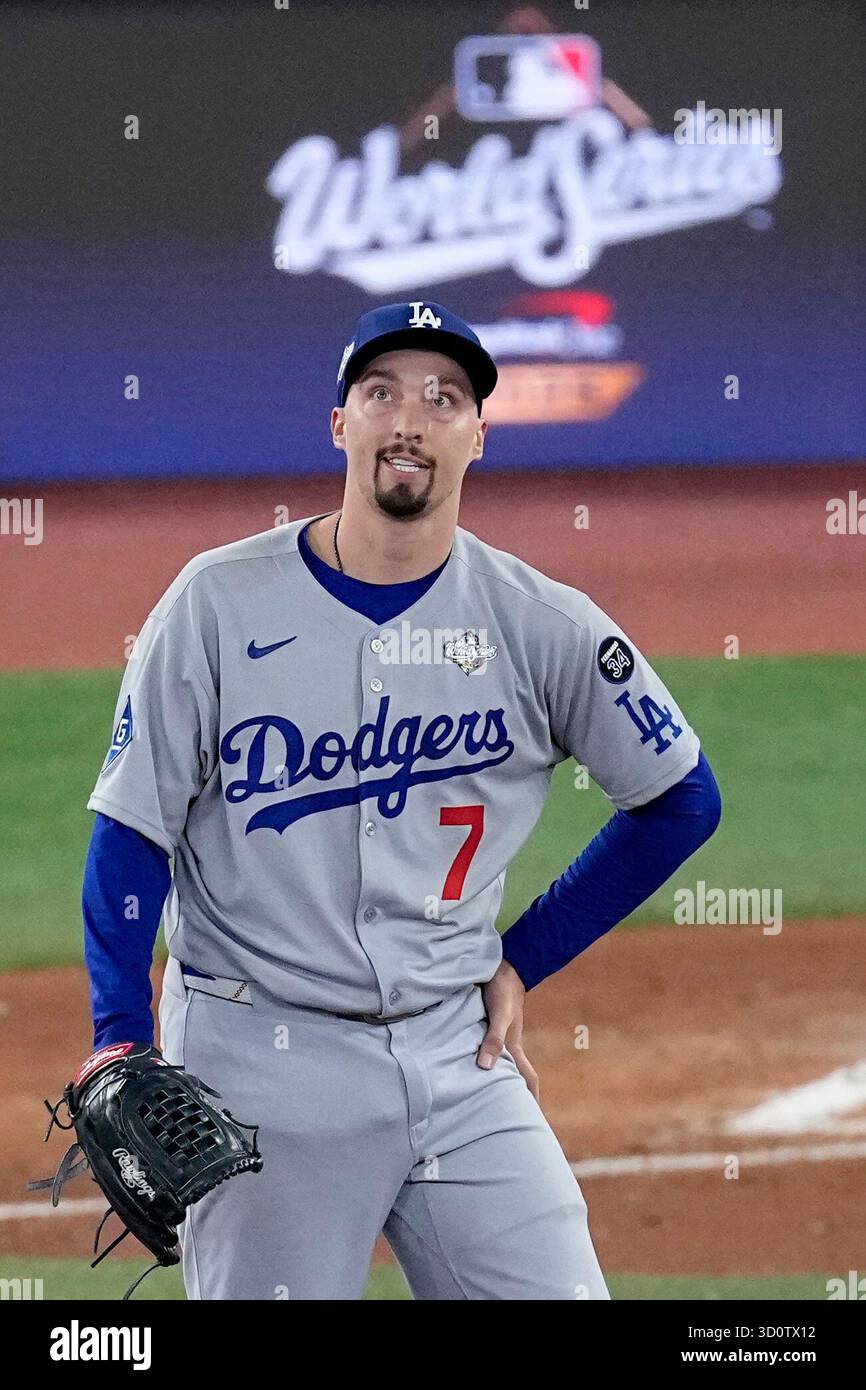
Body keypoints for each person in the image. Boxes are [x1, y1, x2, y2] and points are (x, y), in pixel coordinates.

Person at [82, 300, 721, 1300]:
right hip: (258, 1068)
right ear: (340, 424)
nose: (408, 419)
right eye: (379, 392)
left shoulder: (539, 622)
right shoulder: (213, 604)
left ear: (478, 434)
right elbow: (131, 831)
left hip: (457, 1053)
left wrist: (522, 956)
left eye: (442, 397)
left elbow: (680, 798)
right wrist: (117, 1032)